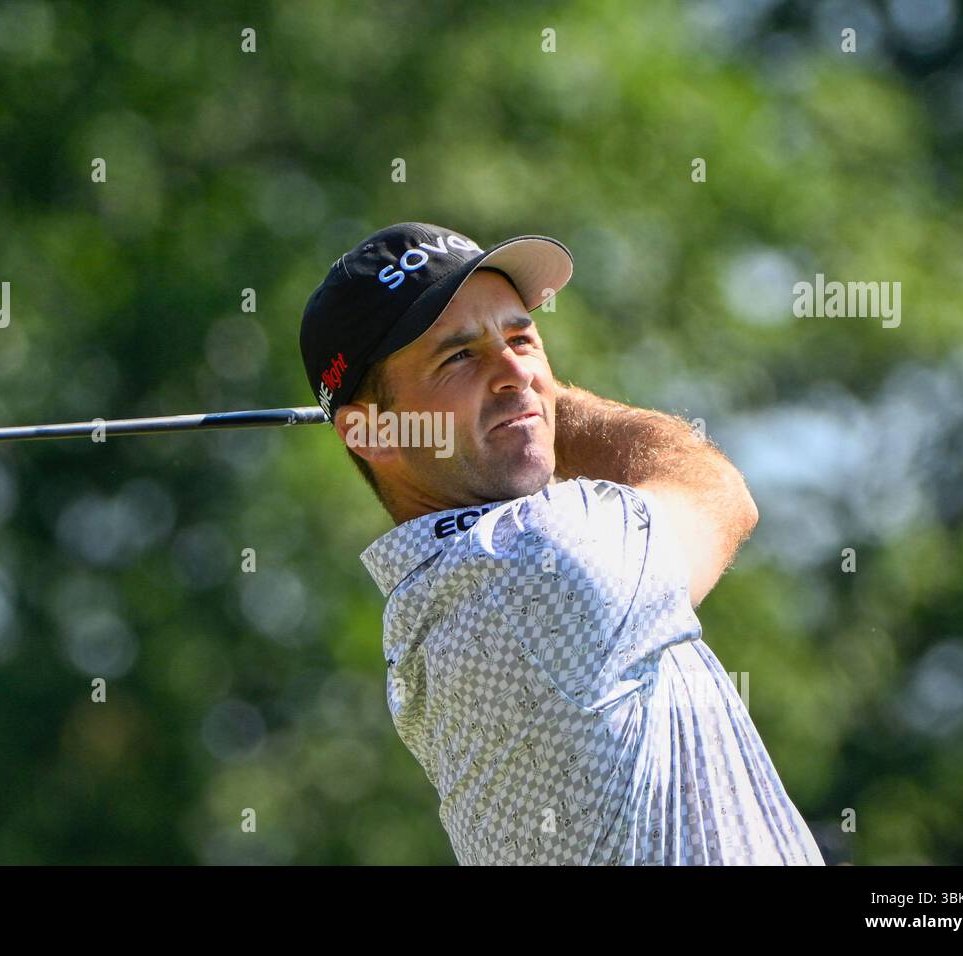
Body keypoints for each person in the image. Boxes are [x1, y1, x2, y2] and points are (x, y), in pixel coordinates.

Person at [299, 221, 825, 865]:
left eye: (522, 337)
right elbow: (715, 489)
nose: (515, 369)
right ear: (374, 433)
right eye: (459, 356)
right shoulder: (533, 562)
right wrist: (543, 403)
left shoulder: (445, 599)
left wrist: (516, 402)